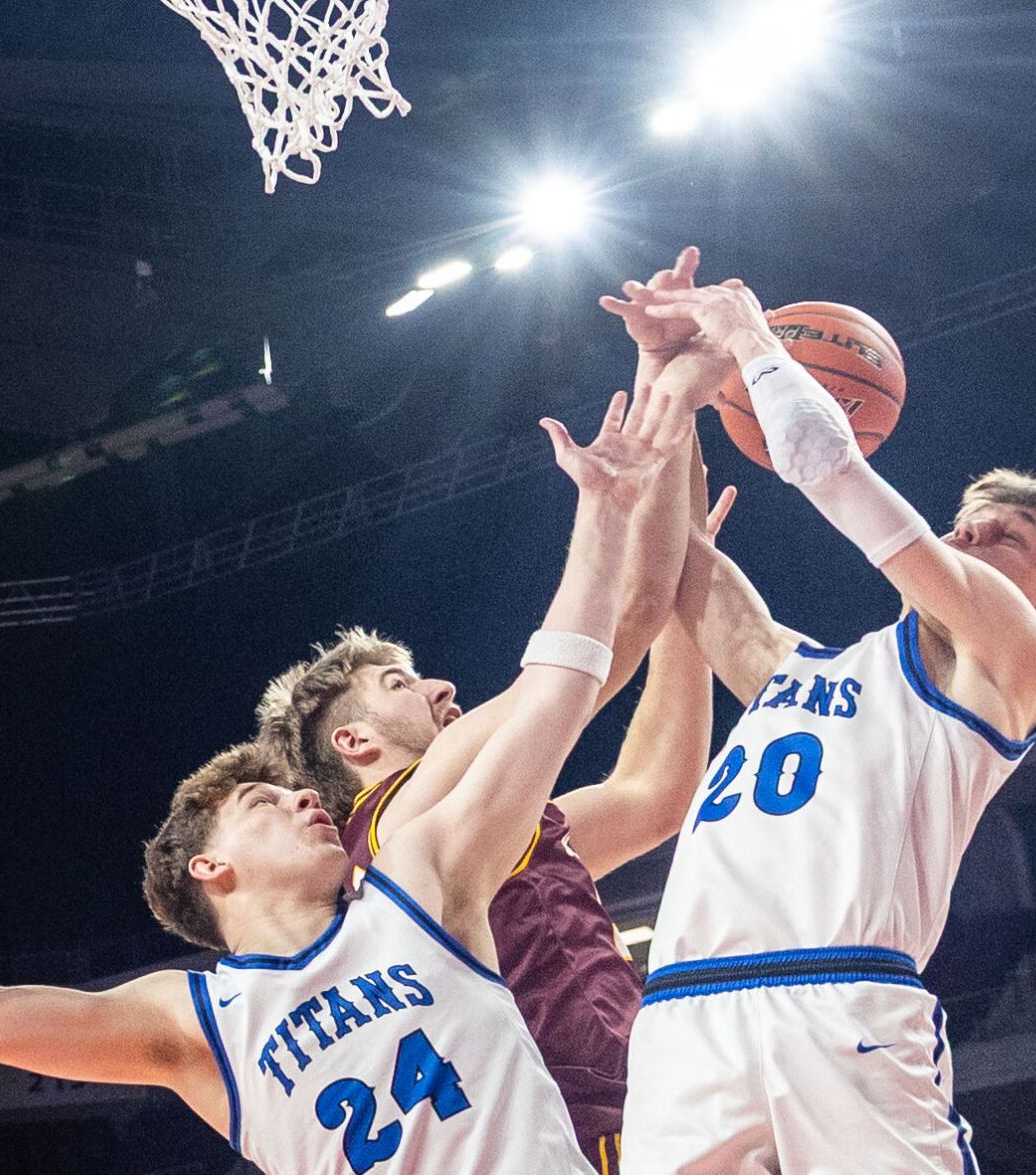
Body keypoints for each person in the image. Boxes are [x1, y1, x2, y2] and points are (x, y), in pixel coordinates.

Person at [0, 383, 691, 1175]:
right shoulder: (192, 1020)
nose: (306, 797)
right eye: (262, 801)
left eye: (292, 788)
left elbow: (557, 691)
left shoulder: (418, 880)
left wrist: (603, 513)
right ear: (208, 865)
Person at [610, 272, 1036, 1174]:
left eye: (1002, 538)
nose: (960, 541)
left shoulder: (1008, 662)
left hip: (840, 996)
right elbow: (682, 565)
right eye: (963, 526)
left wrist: (755, 343)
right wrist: (671, 385)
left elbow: (832, 470)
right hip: (682, 1012)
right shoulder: (796, 671)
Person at [251, 250, 725, 1175]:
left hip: (630, 1104)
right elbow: (616, 624)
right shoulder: (400, 818)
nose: (438, 690)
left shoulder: (458, 842)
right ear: (352, 744)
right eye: (400, 684)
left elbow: (657, 793)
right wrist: (662, 388)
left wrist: (688, 609)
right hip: (577, 1123)